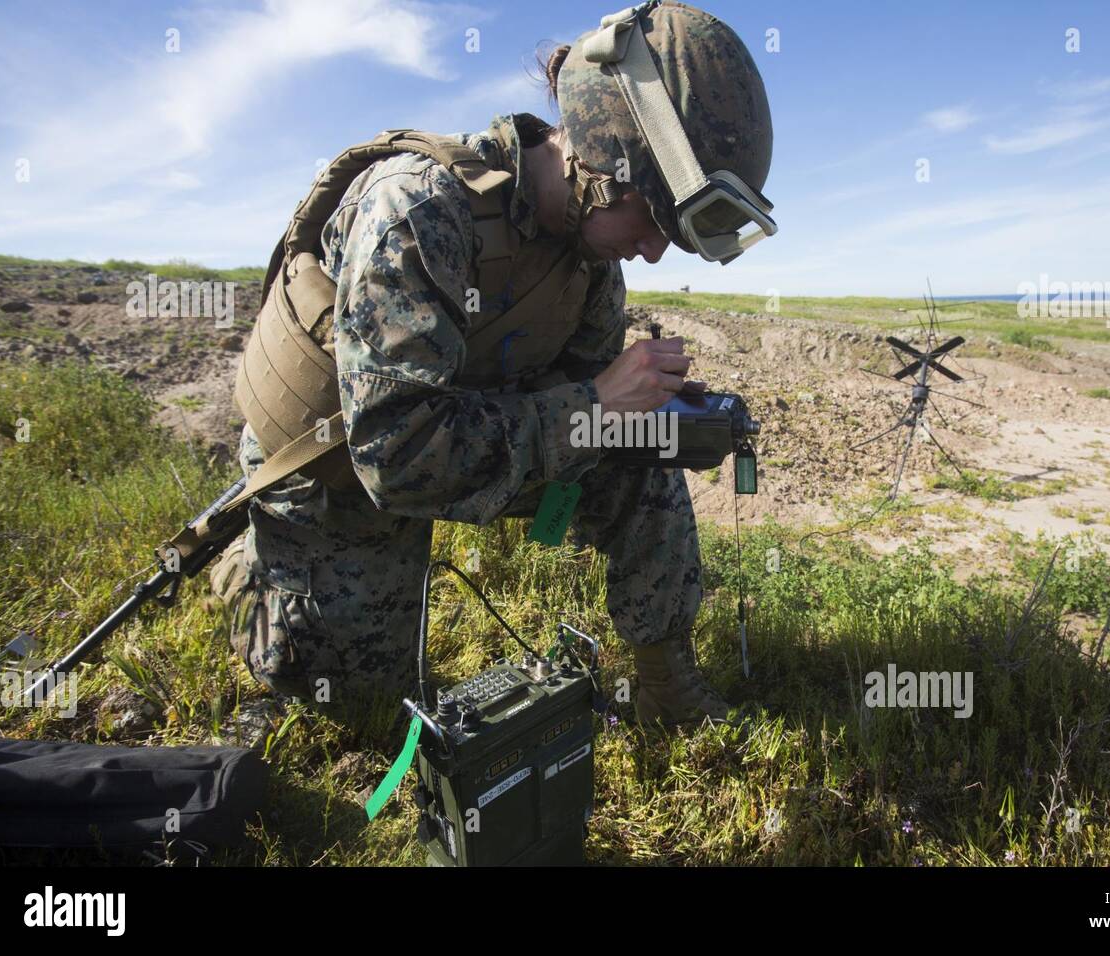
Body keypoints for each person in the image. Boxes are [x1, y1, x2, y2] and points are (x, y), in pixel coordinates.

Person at [213, 0, 776, 726]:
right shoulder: (417, 213)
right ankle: (259, 576)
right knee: (351, 706)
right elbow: (397, 457)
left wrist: (657, 419)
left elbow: (578, 417)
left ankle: (668, 688)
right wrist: (595, 407)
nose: (654, 250)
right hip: (337, 465)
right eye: (650, 218)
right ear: (601, 165)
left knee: (641, 459)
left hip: (463, 445)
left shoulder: (591, 263)